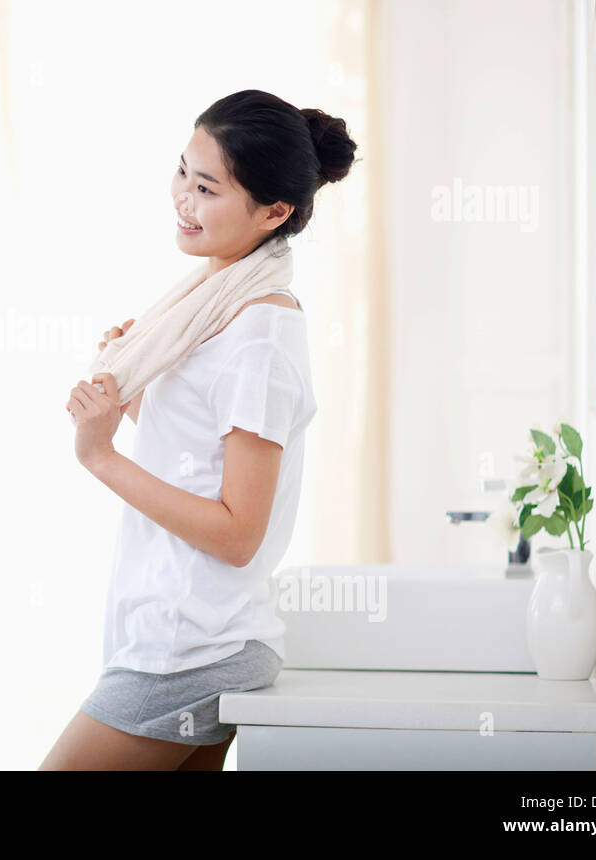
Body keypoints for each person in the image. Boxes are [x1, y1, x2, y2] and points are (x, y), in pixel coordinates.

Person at [42, 89, 357, 770]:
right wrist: (137, 399)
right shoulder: (222, 307)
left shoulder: (258, 334)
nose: (183, 198)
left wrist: (100, 456)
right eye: (183, 172)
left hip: (187, 648)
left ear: (275, 212)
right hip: (202, 639)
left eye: (207, 187)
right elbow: (200, 453)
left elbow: (239, 532)